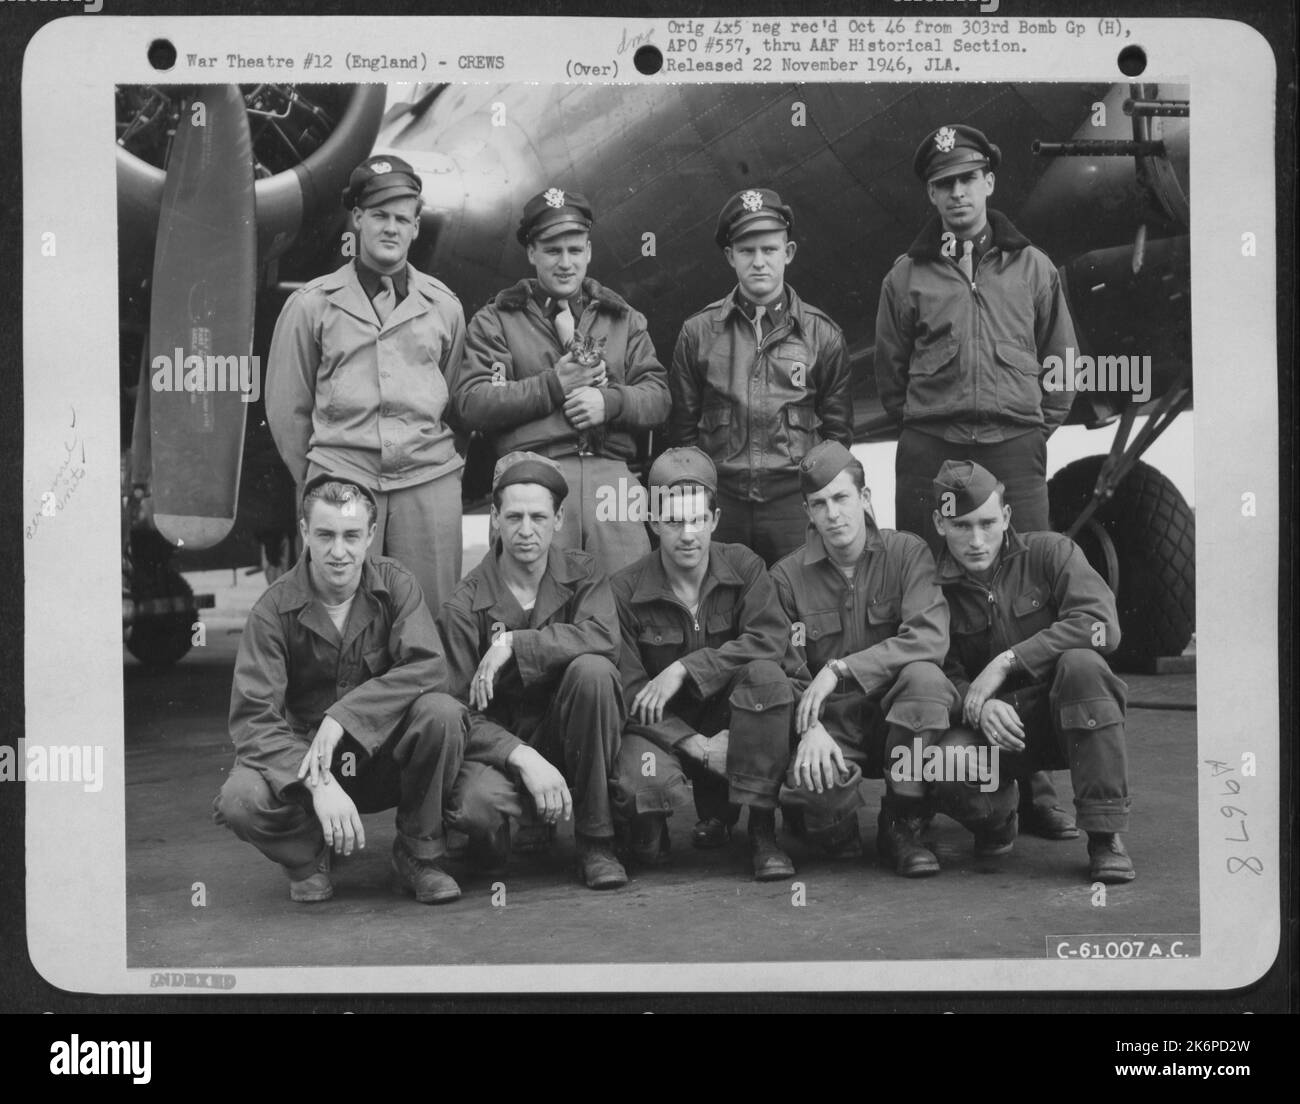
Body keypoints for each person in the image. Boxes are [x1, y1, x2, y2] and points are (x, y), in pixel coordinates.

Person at [875, 124, 1080, 839]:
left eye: (967, 178)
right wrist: (934, 429)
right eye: (942, 183)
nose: (956, 193)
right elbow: (890, 377)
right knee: (926, 595)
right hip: (931, 447)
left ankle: (1039, 778)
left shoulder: (1034, 267)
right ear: (930, 193)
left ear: (989, 181)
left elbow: (1061, 366)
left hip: (1013, 449)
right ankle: (919, 774)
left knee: (1028, 601)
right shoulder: (906, 275)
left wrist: (1029, 431)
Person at [214, 474, 466, 904]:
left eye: (351, 536)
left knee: (441, 713)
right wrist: (318, 783)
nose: (338, 551)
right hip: (309, 761)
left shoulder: (396, 585)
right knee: (240, 798)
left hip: (381, 756)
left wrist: (345, 716)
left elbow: (428, 666)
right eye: (325, 535)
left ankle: (418, 854)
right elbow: (254, 720)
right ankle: (307, 857)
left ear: (371, 535)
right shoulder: (272, 610)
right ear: (304, 533)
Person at [265, 155, 466, 614]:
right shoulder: (310, 306)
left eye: (402, 218)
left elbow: (456, 402)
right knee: (341, 621)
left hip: (426, 483)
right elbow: (286, 410)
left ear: (417, 226)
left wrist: (431, 468)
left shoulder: (445, 307)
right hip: (344, 482)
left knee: (431, 620)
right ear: (356, 219)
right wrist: (326, 480)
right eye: (379, 216)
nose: (390, 228)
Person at [929, 460, 1135, 883]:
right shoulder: (931, 588)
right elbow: (935, 668)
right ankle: (998, 818)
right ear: (939, 524)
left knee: (1084, 665)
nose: (977, 540)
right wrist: (977, 703)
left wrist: (1008, 662)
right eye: (961, 526)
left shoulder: (1051, 553)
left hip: (1062, 715)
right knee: (944, 760)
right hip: (993, 727)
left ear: (1006, 517)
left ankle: (1104, 835)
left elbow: (1101, 626)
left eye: (987, 523)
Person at [437, 452, 629, 890]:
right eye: (515, 516)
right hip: (501, 754)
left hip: (567, 741)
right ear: (494, 518)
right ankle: (494, 837)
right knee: (477, 811)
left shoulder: (583, 576)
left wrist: (514, 643)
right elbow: (458, 712)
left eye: (539, 517)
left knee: (594, 672)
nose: (527, 530)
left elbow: (605, 639)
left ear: (559, 518)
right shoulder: (463, 605)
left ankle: (596, 842)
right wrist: (522, 757)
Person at [610, 447, 803, 881]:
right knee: (647, 786)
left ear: (715, 520)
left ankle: (760, 827)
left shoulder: (745, 566)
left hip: (736, 721)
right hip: (665, 731)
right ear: (653, 522)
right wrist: (695, 744)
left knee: (766, 677)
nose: (688, 534)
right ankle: (650, 823)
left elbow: (770, 640)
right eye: (674, 521)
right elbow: (627, 688)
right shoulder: (623, 589)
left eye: (698, 519)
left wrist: (686, 667)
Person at [456, 188, 669, 577]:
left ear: (589, 251)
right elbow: (474, 402)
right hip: (531, 478)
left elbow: (658, 396)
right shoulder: (497, 319)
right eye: (553, 251)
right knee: (534, 608)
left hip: (611, 482)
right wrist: (555, 384)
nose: (566, 263)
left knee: (627, 603)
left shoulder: (622, 319)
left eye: (575, 250)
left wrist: (611, 403)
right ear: (531, 253)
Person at [770, 441, 960, 877]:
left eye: (842, 498)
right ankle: (823, 821)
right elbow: (783, 666)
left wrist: (842, 669)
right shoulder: (786, 578)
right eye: (819, 504)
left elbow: (929, 637)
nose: (833, 514)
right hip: (832, 729)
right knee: (828, 825)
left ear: (866, 498)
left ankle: (902, 822)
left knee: (926, 679)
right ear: (808, 513)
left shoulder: (908, 553)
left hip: (899, 717)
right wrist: (810, 728)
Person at [668, 188, 853, 566]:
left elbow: (838, 439)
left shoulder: (823, 335)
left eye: (769, 250)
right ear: (729, 257)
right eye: (746, 251)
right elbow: (682, 437)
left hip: (793, 506)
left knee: (798, 606)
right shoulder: (697, 334)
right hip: (723, 504)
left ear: (788, 253)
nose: (758, 263)